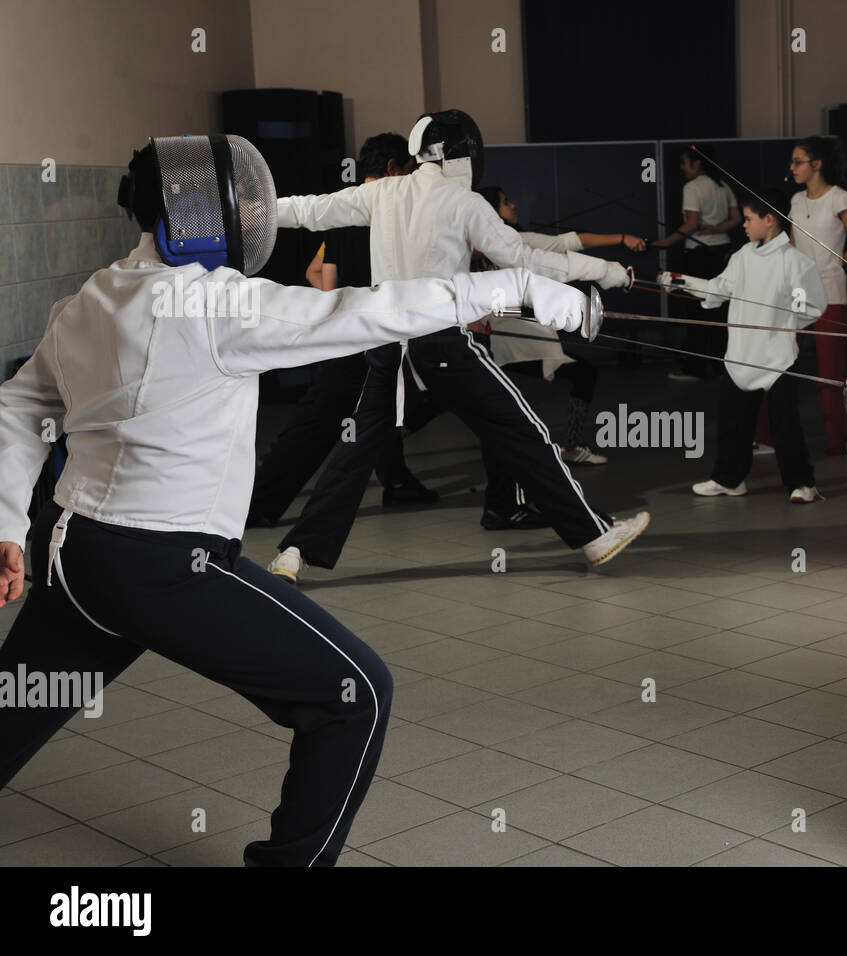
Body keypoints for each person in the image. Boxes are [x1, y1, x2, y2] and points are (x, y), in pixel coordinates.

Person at [0, 134, 585, 865]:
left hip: (74, 556)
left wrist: (8, 524)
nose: (254, 212)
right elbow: (366, 312)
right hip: (161, 566)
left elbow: (18, 406)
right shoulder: (213, 306)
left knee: (15, 708)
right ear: (202, 213)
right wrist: (513, 287)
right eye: (241, 200)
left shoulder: (89, 298)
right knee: (355, 694)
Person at [266, 110, 649, 583]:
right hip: (441, 342)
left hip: (386, 346)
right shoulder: (463, 202)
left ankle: (293, 554)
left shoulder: (384, 192)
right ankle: (595, 537)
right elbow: (524, 260)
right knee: (520, 431)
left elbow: (307, 211)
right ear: (462, 154)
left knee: (357, 448)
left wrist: (246, 210)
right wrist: (605, 272)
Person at [248, 133, 438, 527]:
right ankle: (257, 506)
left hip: (351, 329)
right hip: (376, 332)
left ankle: (398, 482)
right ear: (392, 170)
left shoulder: (342, 211)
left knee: (376, 407)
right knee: (319, 421)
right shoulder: (397, 214)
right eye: (407, 171)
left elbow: (325, 276)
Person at [674, 187, 827, 502]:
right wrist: (680, 282)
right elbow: (719, 290)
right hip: (741, 355)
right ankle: (729, 479)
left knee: (785, 423)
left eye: (748, 219)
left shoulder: (795, 262)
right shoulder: (743, 256)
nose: (743, 225)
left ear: (769, 220)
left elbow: (812, 306)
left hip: (778, 357)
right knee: (733, 421)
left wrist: (783, 326)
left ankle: (802, 484)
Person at [475, 183, 646, 466]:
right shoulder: (470, 247)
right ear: (492, 212)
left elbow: (568, 243)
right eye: (506, 202)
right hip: (482, 341)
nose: (513, 206)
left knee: (582, 373)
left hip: (508, 341)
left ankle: (574, 446)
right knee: (443, 399)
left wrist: (621, 239)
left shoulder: (519, 241)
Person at [783, 136, 847, 457]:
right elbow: (792, 244)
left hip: (831, 292)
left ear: (816, 165)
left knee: (830, 371)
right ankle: (767, 437)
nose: (792, 168)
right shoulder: (795, 200)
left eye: (797, 161)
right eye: (792, 162)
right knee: (778, 363)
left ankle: (841, 438)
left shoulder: (839, 197)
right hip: (798, 294)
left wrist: (834, 263)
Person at [652, 146, 740, 380]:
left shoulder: (692, 187)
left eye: (685, 162)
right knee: (721, 312)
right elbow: (736, 219)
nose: (682, 168)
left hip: (699, 256)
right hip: (723, 253)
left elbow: (691, 224)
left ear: (697, 163)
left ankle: (696, 369)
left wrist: (665, 242)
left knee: (697, 313)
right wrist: (716, 228)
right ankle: (723, 368)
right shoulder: (723, 184)